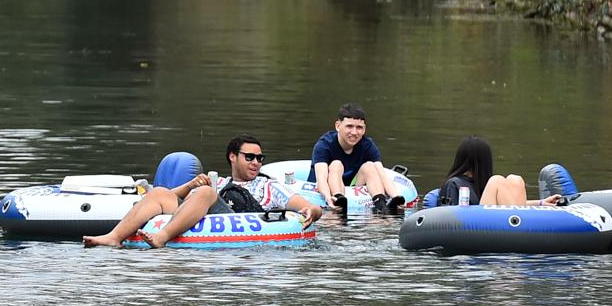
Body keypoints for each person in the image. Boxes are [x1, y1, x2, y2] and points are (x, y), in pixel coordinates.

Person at [84, 137, 323, 249]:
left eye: (260, 158)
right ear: (233, 157)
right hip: (207, 214)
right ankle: (114, 237)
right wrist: (190, 185)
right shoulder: (221, 182)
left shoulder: (269, 185)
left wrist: (313, 211)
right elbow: (166, 197)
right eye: (249, 157)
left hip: (241, 220)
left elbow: (308, 206)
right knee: (160, 192)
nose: (255, 163)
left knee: (207, 192)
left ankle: (162, 237)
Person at [310, 103, 402, 215]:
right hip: (328, 187)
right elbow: (321, 179)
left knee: (369, 166)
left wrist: (396, 197)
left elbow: (381, 174)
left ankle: (381, 204)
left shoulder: (367, 145)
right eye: (349, 126)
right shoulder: (324, 145)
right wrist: (327, 197)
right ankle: (338, 199)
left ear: (364, 129)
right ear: (338, 126)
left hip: (353, 187)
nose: (354, 132)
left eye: (359, 127)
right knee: (336, 164)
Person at [432, 136, 568, 208]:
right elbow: (450, 215)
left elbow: (507, 204)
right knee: (496, 180)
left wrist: (541, 203)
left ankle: (522, 227)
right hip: (474, 227)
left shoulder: (482, 184)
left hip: (495, 223)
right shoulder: (454, 184)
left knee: (515, 179)